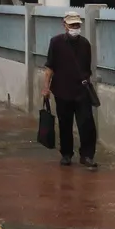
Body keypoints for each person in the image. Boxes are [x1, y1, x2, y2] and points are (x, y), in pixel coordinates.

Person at [41, 10, 98, 169]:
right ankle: (66, 154)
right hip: (62, 91)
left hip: (81, 91)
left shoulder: (85, 44)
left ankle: (87, 156)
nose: (75, 27)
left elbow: (87, 68)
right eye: (72, 24)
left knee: (86, 123)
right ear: (64, 25)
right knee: (65, 123)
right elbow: (49, 67)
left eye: (77, 24)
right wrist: (46, 87)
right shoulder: (56, 42)